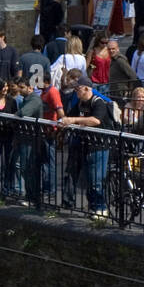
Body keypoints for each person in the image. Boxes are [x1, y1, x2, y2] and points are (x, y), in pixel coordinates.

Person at [58, 77, 116, 216]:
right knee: (90, 179)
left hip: (99, 145)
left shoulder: (98, 103)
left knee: (96, 179)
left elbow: (95, 120)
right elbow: (69, 117)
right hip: (85, 144)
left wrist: (74, 120)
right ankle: (92, 207)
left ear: (86, 89)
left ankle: (101, 208)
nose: (76, 91)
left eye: (78, 89)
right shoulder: (79, 103)